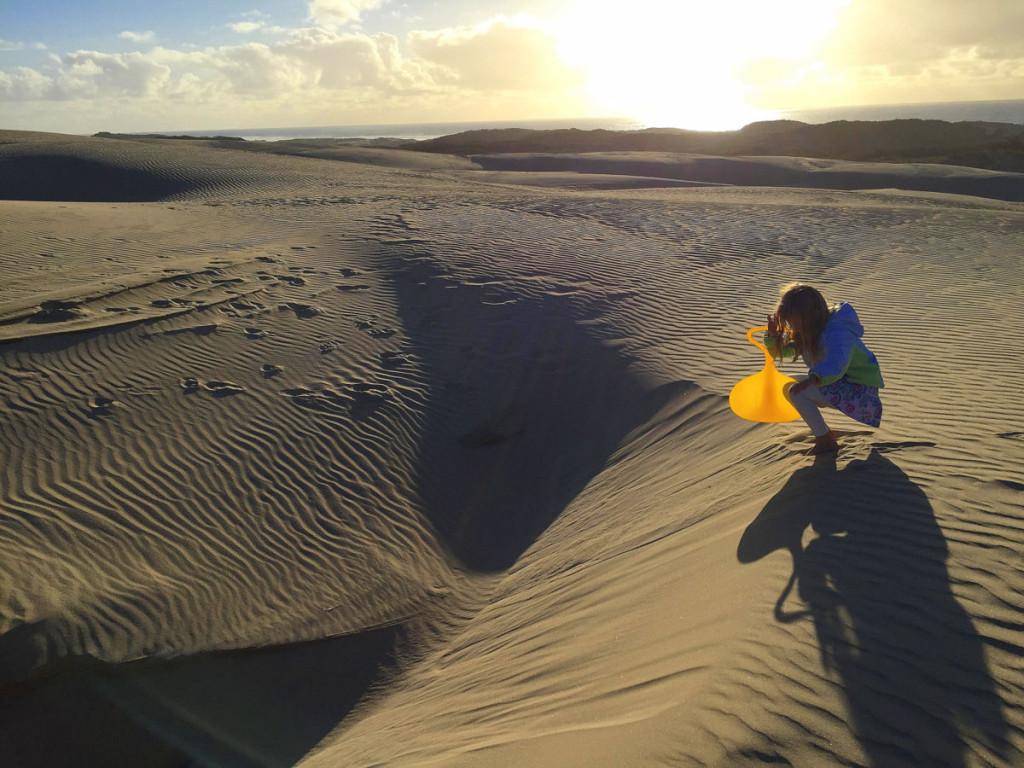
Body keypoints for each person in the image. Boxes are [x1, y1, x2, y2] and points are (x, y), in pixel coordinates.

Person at [765, 282, 884, 454]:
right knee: (785, 383)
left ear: (808, 315)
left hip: (858, 390)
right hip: (837, 382)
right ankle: (824, 433)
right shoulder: (809, 329)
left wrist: (813, 380)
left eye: (794, 322)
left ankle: (824, 441)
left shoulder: (838, 332)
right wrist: (772, 336)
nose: (792, 327)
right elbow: (782, 352)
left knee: (796, 392)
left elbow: (837, 363)